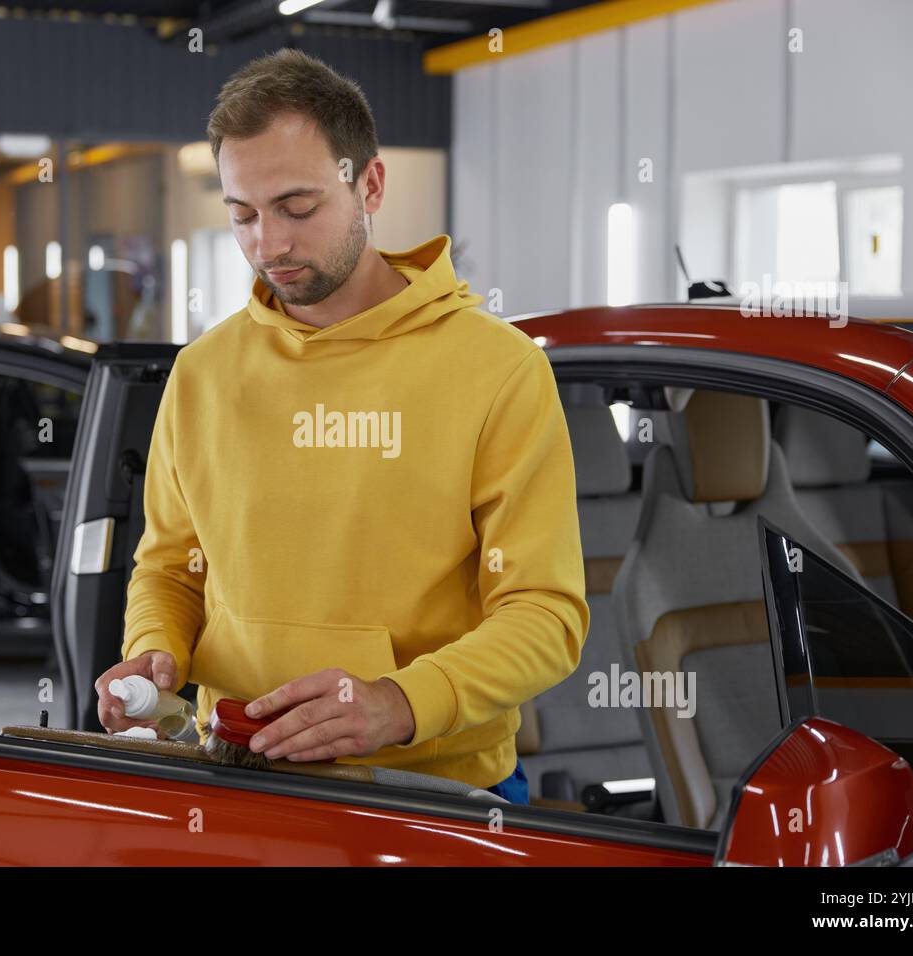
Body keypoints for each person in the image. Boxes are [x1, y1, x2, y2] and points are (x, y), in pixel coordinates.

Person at [95, 48, 588, 804]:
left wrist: (402, 703)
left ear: (372, 184)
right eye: (243, 215)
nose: (270, 244)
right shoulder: (202, 374)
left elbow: (545, 614)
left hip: (429, 790)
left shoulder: (498, 370)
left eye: (297, 207)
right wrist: (153, 655)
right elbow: (170, 568)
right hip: (234, 776)